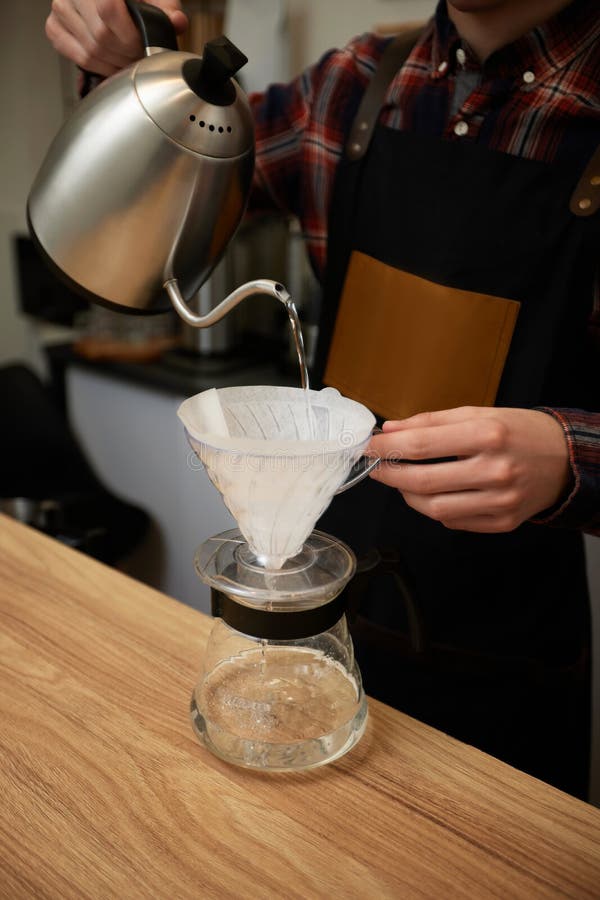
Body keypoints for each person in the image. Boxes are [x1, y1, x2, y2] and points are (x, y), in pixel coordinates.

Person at [45, 0, 600, 798]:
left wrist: (573, 455)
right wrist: (135, 67)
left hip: (504, 657)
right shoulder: (351, 87)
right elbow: (181, 168)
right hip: (321, 609)